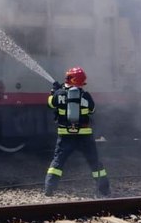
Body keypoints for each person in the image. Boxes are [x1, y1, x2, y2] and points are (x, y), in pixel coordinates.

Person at [43, 66, 110, 197]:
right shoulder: (86, 96)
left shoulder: (60, 94)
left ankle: (49, 189)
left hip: (65, 136)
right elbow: (93, 110)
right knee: (95, 162)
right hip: (84, 136)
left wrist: (54, 91)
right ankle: (104, 190)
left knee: (57, 163)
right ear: (81, 81)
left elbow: (50, 104)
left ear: (69, 79)